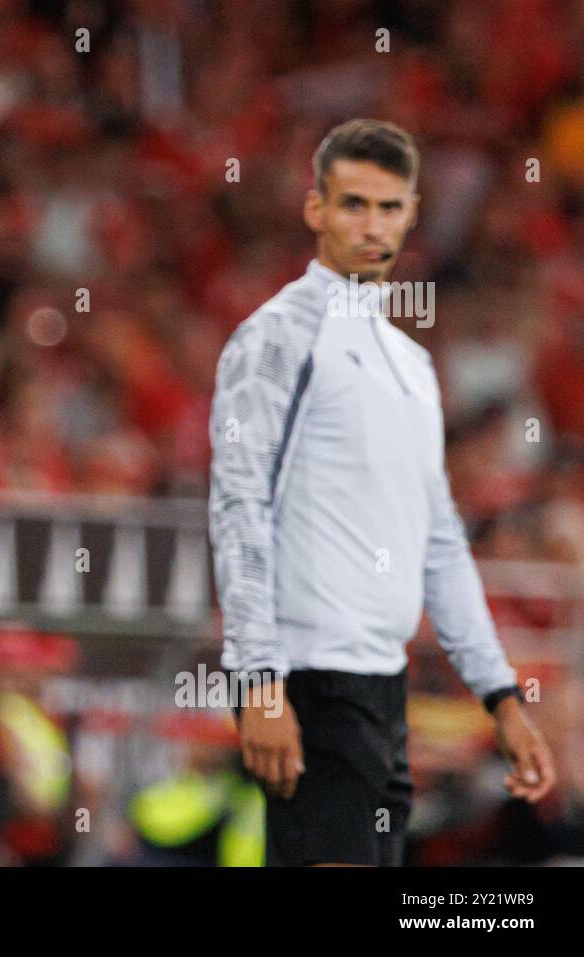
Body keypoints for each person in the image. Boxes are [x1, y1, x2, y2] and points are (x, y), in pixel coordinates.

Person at [208, 118, 556, 866]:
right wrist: (259, 680)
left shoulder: (410, 364)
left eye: (389, 208)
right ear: (315, 210)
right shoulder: (276, 339)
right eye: (353, 204)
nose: (372, 226)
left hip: (380, 688)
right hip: (312, 681)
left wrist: (500, 695)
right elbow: (240, 507)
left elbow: (439, 540)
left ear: (412, 214)